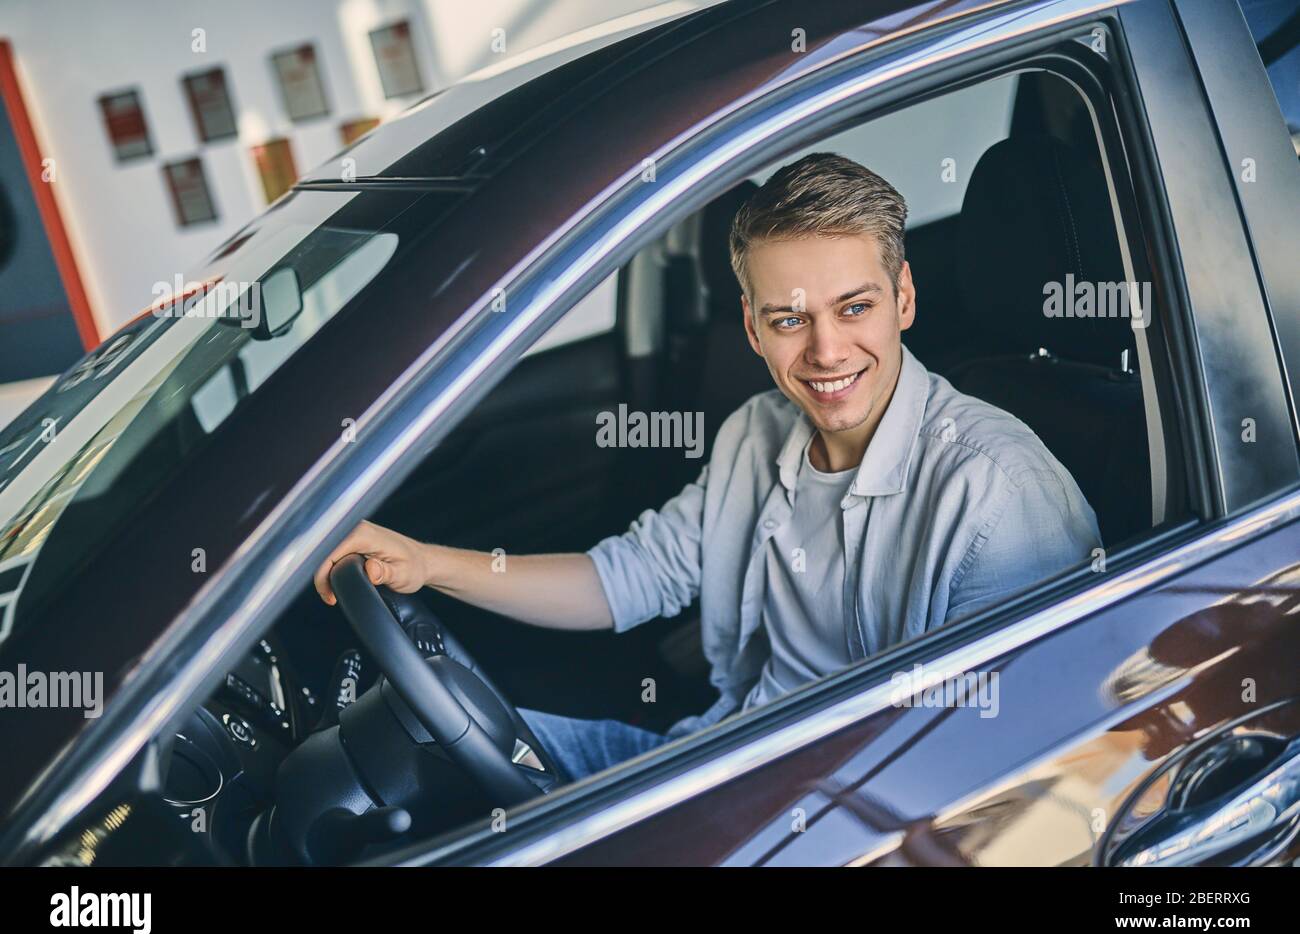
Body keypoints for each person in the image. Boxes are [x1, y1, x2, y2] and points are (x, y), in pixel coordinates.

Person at [314, 152, 1101, 781]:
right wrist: (424, 563)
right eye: (789, 319)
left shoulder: (997, 497)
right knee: (412, 747)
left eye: (854, 308)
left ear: (904, 298)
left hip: (814, 814)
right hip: (714, 750)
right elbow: (622, 579)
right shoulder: (756, 435)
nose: (826, 353)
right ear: (753, 330)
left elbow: (996, 768)